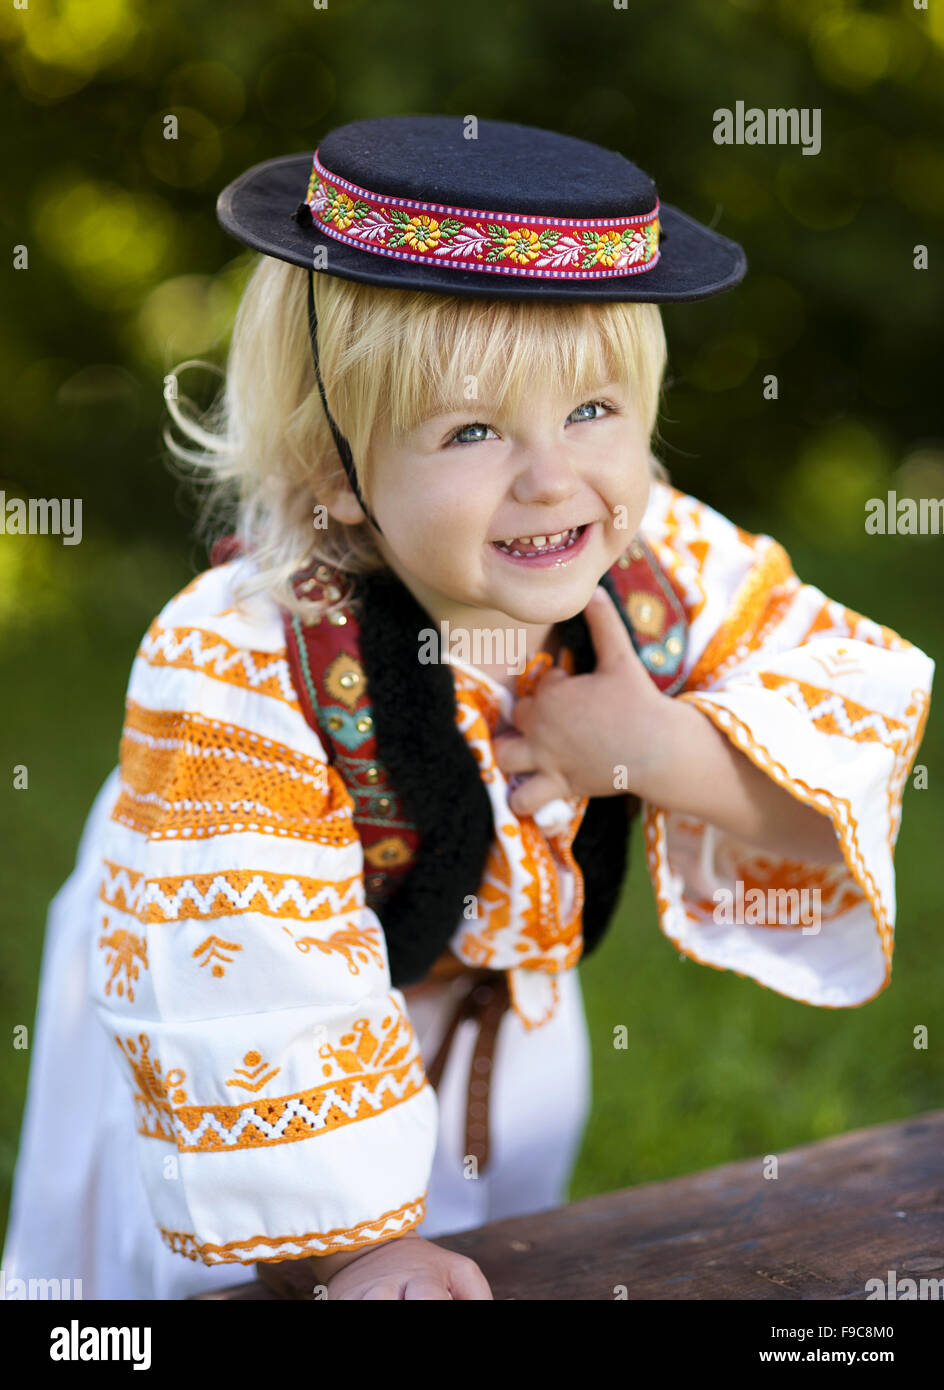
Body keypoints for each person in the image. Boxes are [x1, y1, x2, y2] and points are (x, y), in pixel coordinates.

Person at [2, 115, 933, 1302]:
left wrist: (648, 747)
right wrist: (350, 1243)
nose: (553, 477)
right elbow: (244, 989)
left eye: (593, 411)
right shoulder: (236, 663)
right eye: (474, 429)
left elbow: (844, 759)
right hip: (238, 1039)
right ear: (335, 469)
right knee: (201, 1284)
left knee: (498, 1255)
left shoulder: (653, 556)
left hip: (500, 1037)